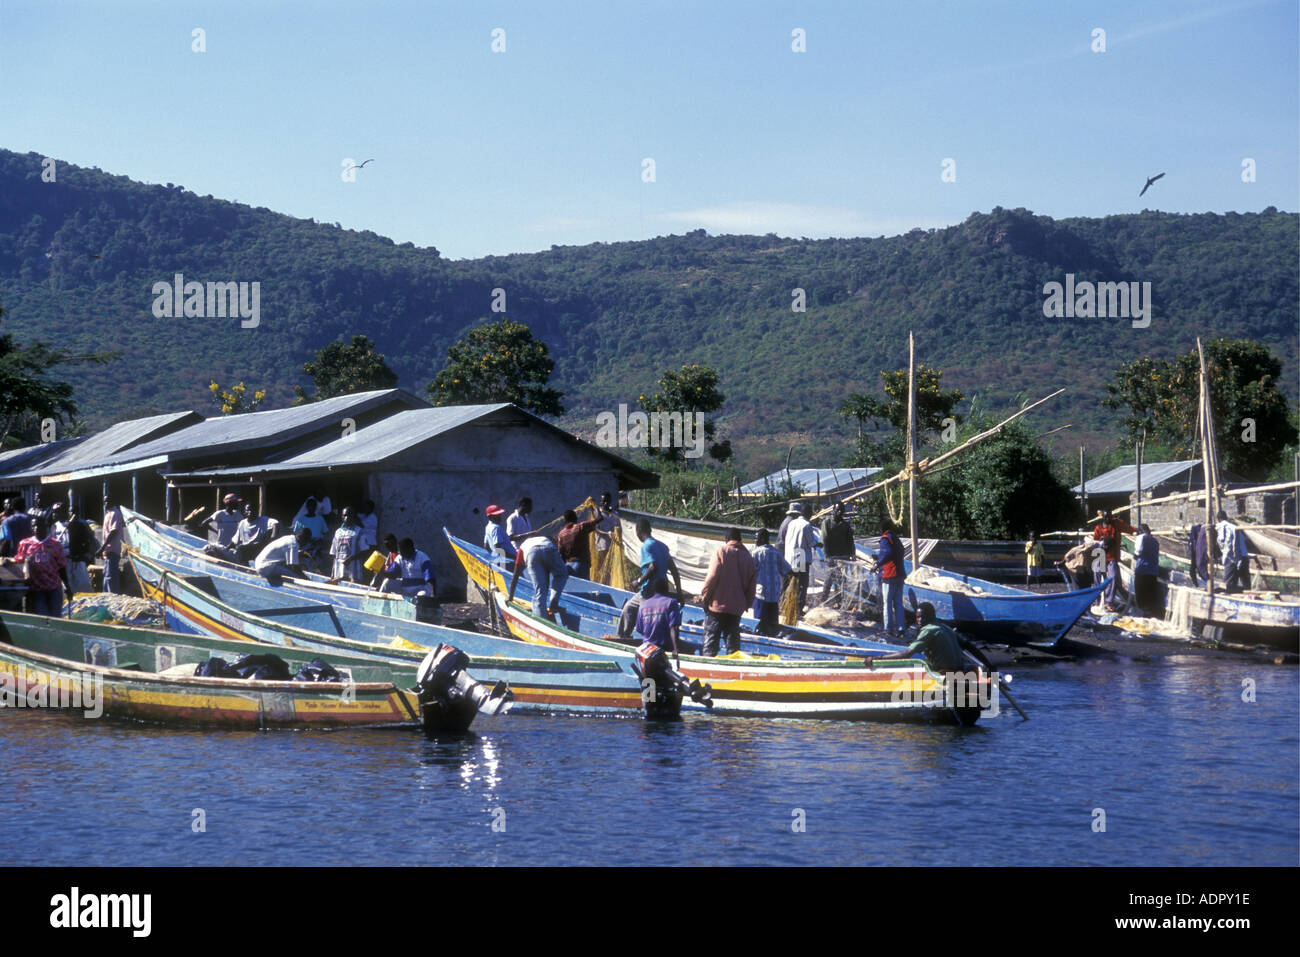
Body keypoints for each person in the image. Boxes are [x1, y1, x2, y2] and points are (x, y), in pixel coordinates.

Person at [870, 604, 994, 709]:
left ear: (930, 617)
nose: (919, 620)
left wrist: (878, 658)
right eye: (917, 617)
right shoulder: (946, 628)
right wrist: (989, 665)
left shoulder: (928, 630)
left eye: (922, 617)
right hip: (958, 672)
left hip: (944, 675)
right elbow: (969, 646)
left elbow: (907, 653)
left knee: (917, 666)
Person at [618, 519, 682, 641]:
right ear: (650, 530)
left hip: (649, 591)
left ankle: (623, 638)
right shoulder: (663, 546)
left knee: (628, 609)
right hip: (662, 589)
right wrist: (679, 593)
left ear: (638, 531)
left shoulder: (646, 546)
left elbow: (653, 567)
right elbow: (674, 571)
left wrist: (638, 581)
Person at [696, 527, 757, 657]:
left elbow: (712, 577)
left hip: (717, 607)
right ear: (740, 540)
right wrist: (746, 604)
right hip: (736, 610)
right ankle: (732, 671)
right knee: (733, 649)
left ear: (726, 539)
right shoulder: (748, 558)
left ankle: (708, 671)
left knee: (710, 647)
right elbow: (752, 588)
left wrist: (705, 597)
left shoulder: (721, 552)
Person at [5, 514, 74, 617]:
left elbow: (61, 567)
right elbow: (19, 559)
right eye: (34, 526)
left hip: (53, 587)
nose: (37, 528)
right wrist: (8, 562)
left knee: (55, 617)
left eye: (40, 525)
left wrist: (67, 586)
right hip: (37, 589)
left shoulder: (55, 544)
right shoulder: (26, 544)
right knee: (42, 617)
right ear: (31, 528)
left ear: (46, 527)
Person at [507, 533, 568, 621]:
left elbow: (515, 575)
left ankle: (541, 620)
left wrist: (510, 597)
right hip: (548, 548)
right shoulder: (544, 538)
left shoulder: (523, 547)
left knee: (540, 591)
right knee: (562, 574)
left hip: (532, 554)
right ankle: (553, 604)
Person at [750, 527, 791, 637]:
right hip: (774, 596)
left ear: (762, 539)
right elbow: (787, 570)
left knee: (759, 627)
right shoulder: (777, 553)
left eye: (756, 538)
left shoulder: (756, 553)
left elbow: (749, 572)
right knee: (773, 628)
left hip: (761, 595)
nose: (755, 541)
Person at [1092, 509, 1136, 609]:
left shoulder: (1116, 524)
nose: (1108, 519)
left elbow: (1128, 528)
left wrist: (1138, 530)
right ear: (1102, 517)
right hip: (1101, 556)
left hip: (1113, 557)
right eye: (1106, 517)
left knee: (1113, 577)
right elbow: (1095, 542)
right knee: (1097, 575)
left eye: (1110, 517)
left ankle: (1109, 601)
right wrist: (1103, 543)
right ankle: (1096, 599)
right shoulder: (1098, 528)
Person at [870, 519, 907, 637]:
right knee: (898, 603)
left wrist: (877, 564)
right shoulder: (895, 538)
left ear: (882, 529)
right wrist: (879, 557)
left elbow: (887, 553)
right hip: (900, 574)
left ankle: (888, 629)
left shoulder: (885, 538)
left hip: (890, 575)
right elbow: (897, 552)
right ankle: (901, 629)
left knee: (887, 603)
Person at [783, 502, 820, 612]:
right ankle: (798, 608)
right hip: (801, 557)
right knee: (802, 585)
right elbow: (811, 543)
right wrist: (818, 544)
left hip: (789, 557)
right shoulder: (807, 525)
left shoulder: (792, 523)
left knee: (791, 583)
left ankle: (787, 606)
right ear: (809, 514)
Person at [635, 577, 683, 662]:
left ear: (654, 590)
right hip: (663, 649)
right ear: (667, 589)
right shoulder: (671, 602)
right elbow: (673, 627)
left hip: (647, 649)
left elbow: (640, 629)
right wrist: (676, 649)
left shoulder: (643, 605)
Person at [557, 509, 601, 580]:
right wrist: (595, 508)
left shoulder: (561, 534)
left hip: (568, 567)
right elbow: (599, 518)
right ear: (575, 518)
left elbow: (561, 554)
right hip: (581, 565)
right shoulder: (581, 527)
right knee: (583, 589)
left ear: (565, 521)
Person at [1215, 510, 1251, 593]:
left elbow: (1225, 544)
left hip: (1232, 558)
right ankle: (1248, 595)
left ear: (1218, 519)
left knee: (1228, 583)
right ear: (1226, 517)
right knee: (1245, 582)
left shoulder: (1220, 527)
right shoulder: (1235, 527)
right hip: (1244, 555)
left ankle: (1232, 595)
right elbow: (1245, 540)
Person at [96, 497, 126, 593]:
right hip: (108, 551)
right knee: (106, 575)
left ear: (113, 502)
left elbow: (113, 532)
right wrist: (103, 550)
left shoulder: (115, 513)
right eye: (104, 502)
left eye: (108, 501)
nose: (106, 504)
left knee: (110, 577)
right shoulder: (108, 514)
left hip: (113, 549)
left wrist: (102, 548)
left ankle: (113, 597)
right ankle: (106, 597)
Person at [1133, 523, 1163, 617]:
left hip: (1142, 570)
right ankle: (1150, 613)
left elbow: (1138, 552)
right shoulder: (1155, 541)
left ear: (1140, 531)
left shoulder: (1141, 537)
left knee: (1141, 593)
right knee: (1150, 593)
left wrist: (1134, 556)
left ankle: (1142, 613)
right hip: (1153, 571)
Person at [292, 498, 329, 571]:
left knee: (317, 565)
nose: (311, 508)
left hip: (317, 545)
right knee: (305, 565)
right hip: (304, 545)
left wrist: (319, 543)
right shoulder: (301, 519)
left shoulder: (320, 518)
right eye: (310, 506)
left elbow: (325, 531)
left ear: (316, 507)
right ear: (307, 507)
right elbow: (295, 534)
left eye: (313, 506)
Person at [329, 508, 364, 582]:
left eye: (349, 515)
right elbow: (334, 553)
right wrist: (333, 571)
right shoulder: (338, 532)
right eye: (345, 515)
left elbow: (364, 551)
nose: (347, 518)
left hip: (354, 573)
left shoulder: (359, 531)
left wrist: (351, 559)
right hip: (339, 573)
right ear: (341, 517)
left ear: (353, 516)